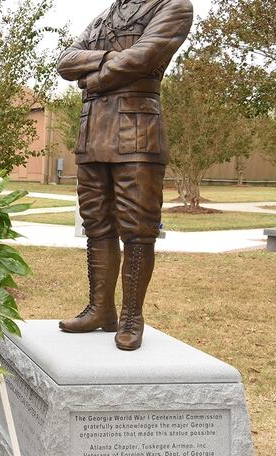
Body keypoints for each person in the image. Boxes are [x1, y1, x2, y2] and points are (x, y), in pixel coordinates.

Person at [56, 0, 193, 350]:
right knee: (96, 224)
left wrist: (93, 79)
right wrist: (106, 58)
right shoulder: (105, 16)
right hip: (92, 135)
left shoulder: (173, 7)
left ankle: (132, 316)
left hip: (137, 134)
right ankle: (101, 309)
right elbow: (65, 61)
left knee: (137, 228)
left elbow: (142, 57)